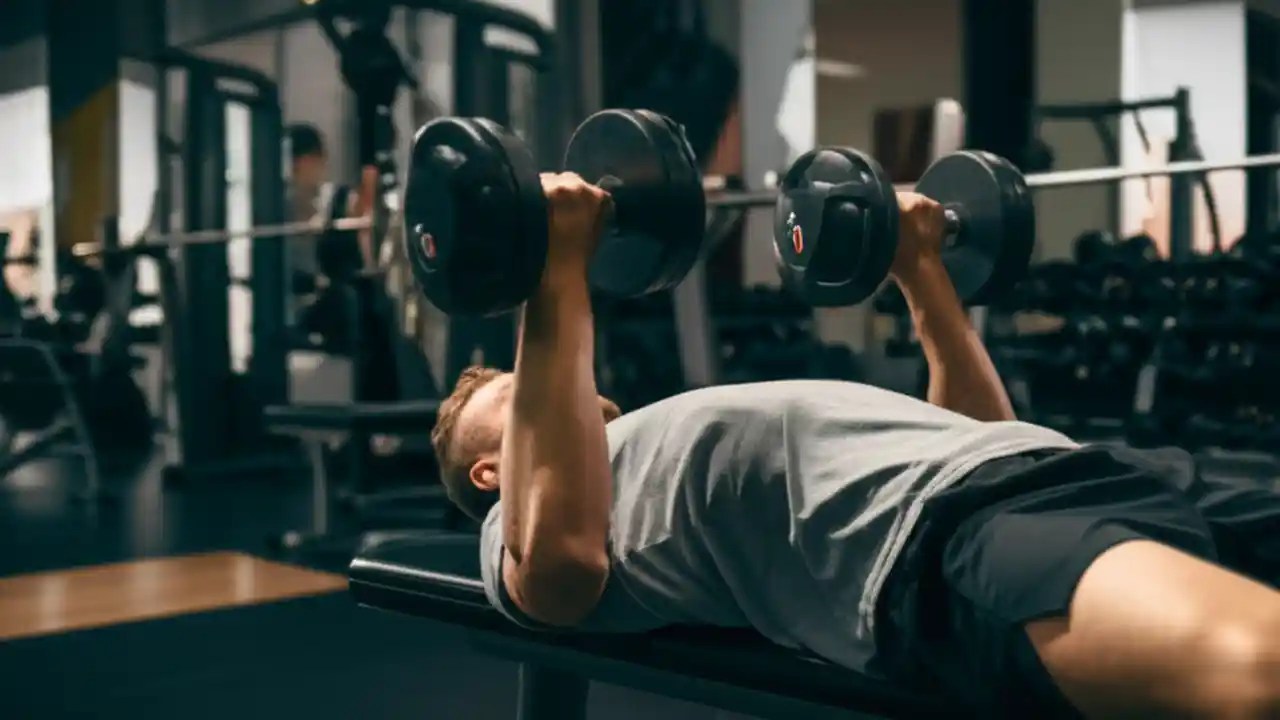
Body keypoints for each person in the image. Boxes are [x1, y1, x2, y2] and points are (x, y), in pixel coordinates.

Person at [429, 173, 1280, 718]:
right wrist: (554, 278)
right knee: (1259, 666)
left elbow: (973, 436)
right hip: (938, 544)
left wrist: (921, 271)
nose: (565, 390)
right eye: (523, 392)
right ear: (493, 471)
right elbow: (565, 574)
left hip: (1062, 466)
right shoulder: (520, 531)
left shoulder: (659, 429)